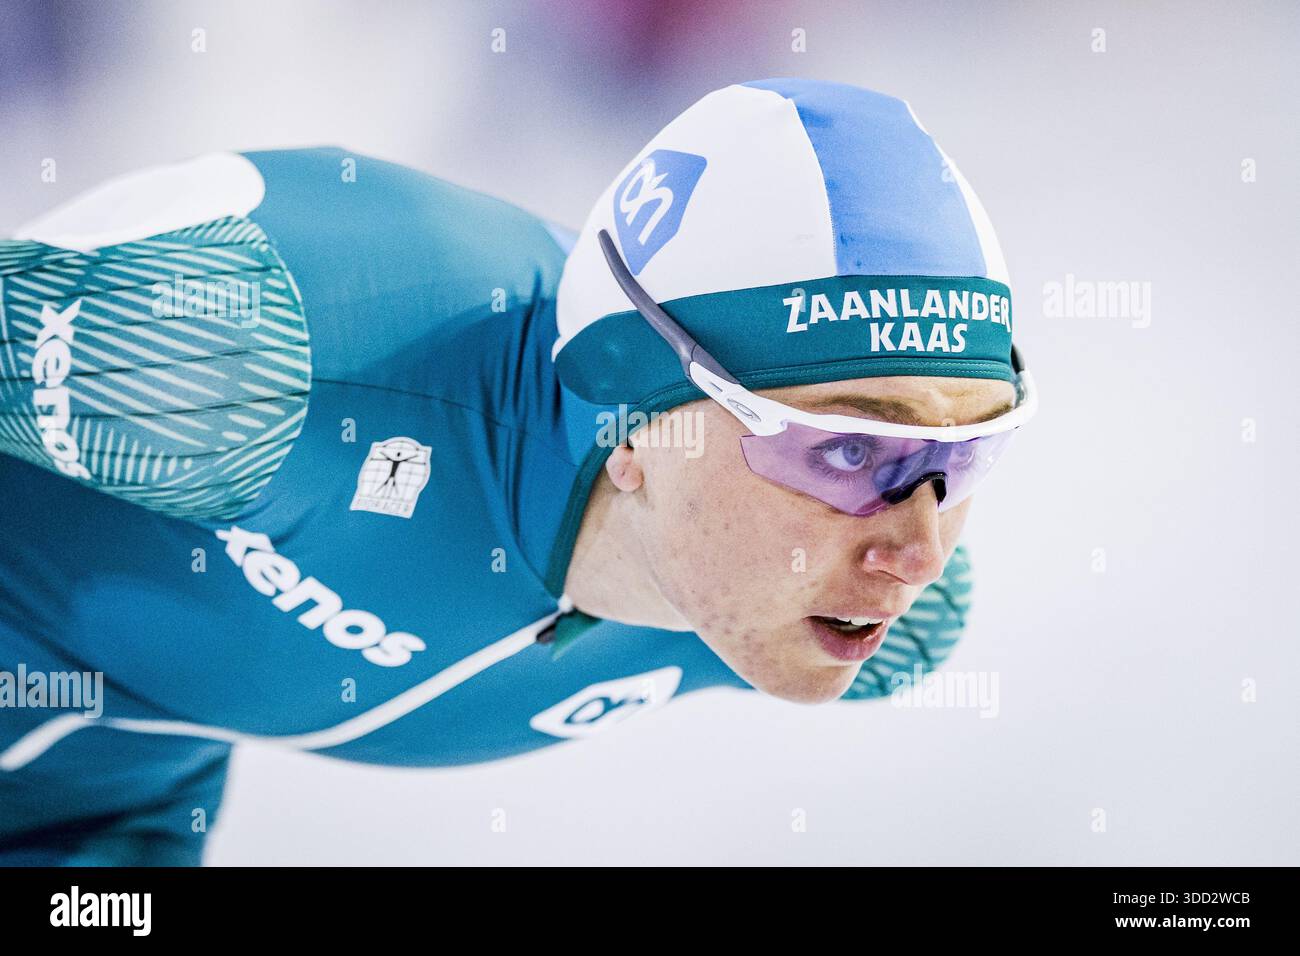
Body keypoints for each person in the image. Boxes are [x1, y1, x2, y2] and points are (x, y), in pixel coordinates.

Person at [0, 78, 1036, 864]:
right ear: (638, 420)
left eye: (961, 456)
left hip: (96, 814)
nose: (916, 553)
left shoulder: (847, 623)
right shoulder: (247, 366)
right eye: (849, 449)